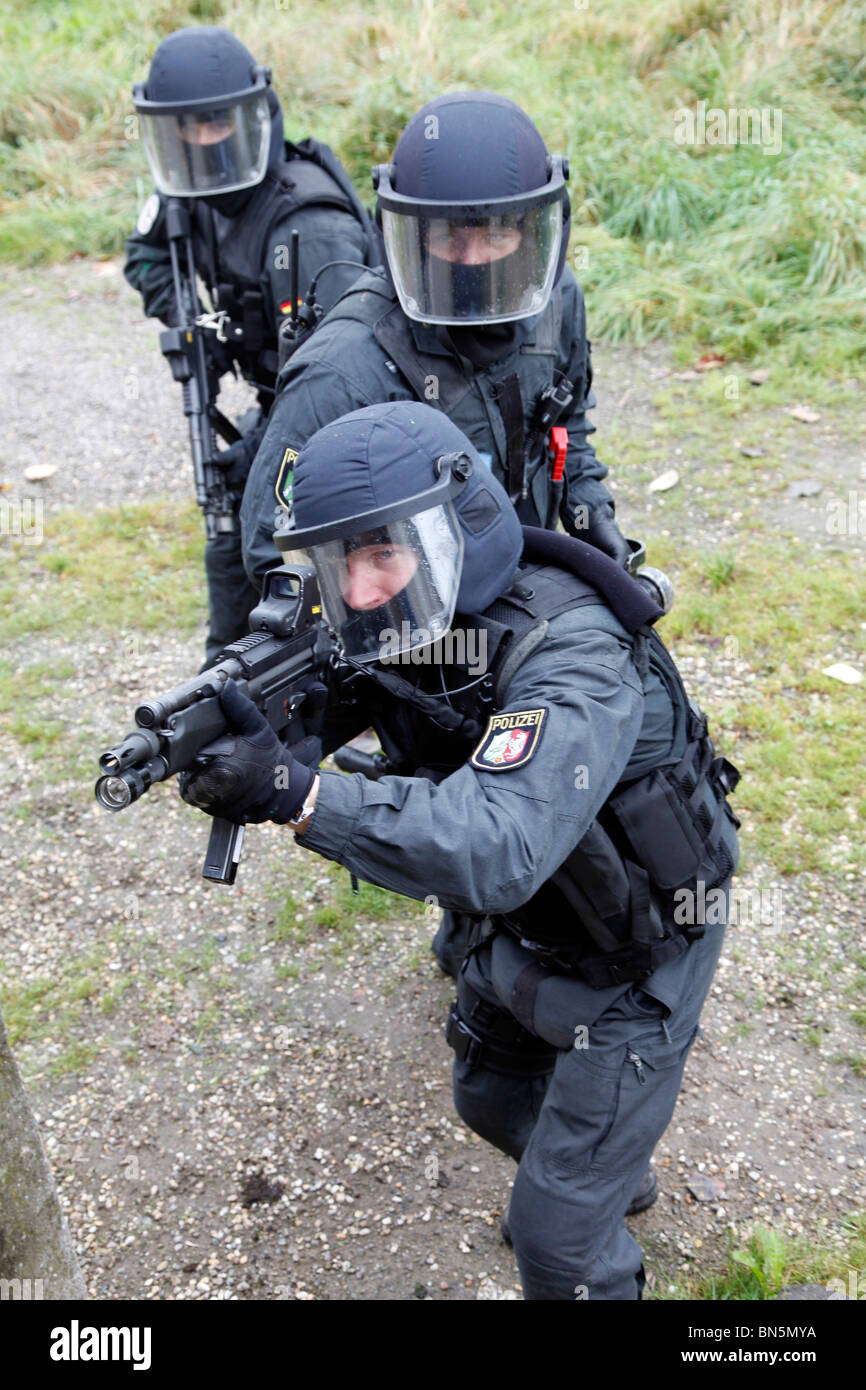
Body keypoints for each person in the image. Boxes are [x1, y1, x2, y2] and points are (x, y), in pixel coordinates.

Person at [180, 400, 741, 1300]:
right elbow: (336, 702)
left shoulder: (575, 651)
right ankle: (614, 1176)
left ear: (460, 529)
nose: (359, 591)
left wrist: (298, 794)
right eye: (340, 560)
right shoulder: (412, 618)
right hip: (536, 924)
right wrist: (251, 727)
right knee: (487, 1099)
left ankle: (592, 1218)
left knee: (553, 1249)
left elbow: (498, 844)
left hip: (641, 951)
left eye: (382, 555)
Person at [240, 90, 631, 596]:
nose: (470, 260)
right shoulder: (342, 370)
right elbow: (275, 551)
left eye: (494, 237)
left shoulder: (555, 303)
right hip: (407, 626)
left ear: (532, 234)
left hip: (527, 582)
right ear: (409, 236)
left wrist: (589, 511)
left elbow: (565, 425)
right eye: (448, 237)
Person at [125, 25, 378, 662]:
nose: (203, 140)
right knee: (231, 533)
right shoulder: (187, 196)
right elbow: (144, 255)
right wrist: (193, 324)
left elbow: (349, 374)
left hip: (345, 422)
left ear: (252, 116)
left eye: (216, 122)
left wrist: (270, 450)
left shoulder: (309, 225)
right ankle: (231, 677)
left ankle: (289, 673)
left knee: (263, 532)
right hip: (278, 402)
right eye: (186, 126)